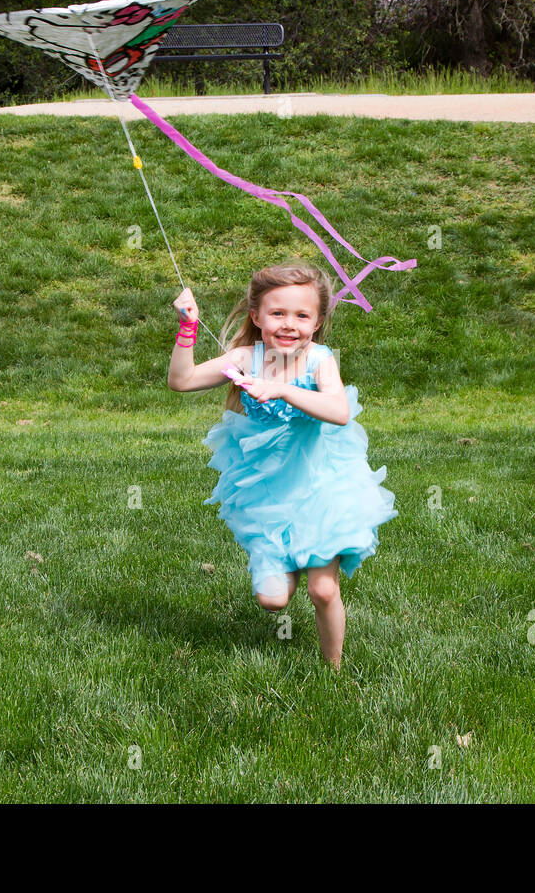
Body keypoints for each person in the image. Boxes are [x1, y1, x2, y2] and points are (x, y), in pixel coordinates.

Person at [166, 261, 398, 668]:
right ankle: (285, 562)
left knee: (324, 590)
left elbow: (339, 411)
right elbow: (181, 381)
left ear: (318, 320)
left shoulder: (320, 360)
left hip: (323, 483)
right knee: (272, 600)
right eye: (277, 313)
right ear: (256, 316)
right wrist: (188, 328)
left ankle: (334, 671)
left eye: (301, 315)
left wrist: (283, 389)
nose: (289, 324)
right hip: (266, 491)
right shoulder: (243, 357)